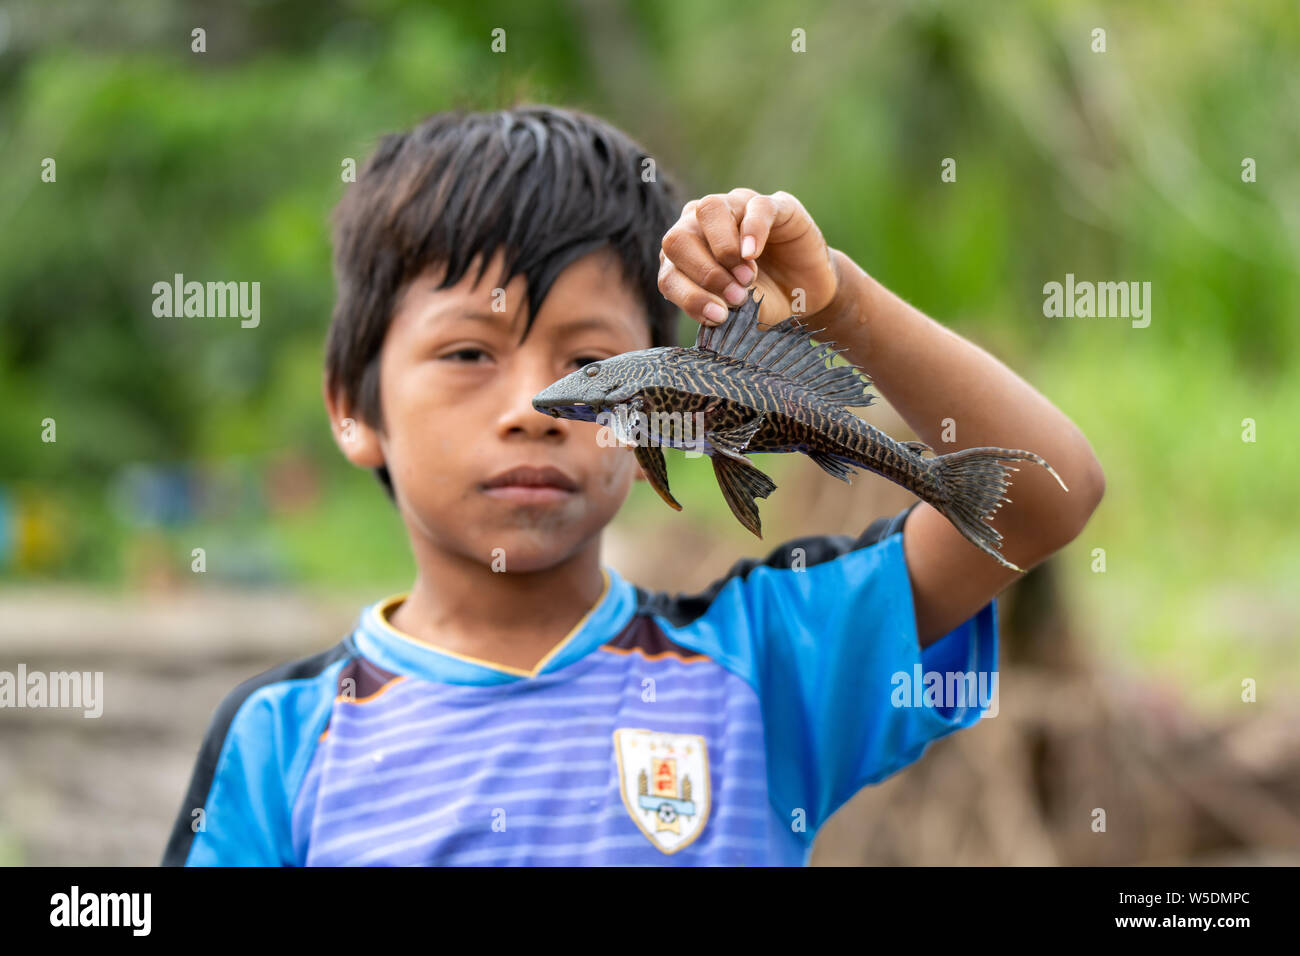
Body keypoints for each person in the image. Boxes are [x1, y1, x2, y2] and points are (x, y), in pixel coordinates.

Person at [162, 104, 1104, 866]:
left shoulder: (771, 659)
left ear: (658, 406)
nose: (533, 405)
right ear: (352, 409)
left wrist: (836, 304)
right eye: (465, 353)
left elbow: (1052, 491)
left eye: (588, 356)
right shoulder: (282, 742)